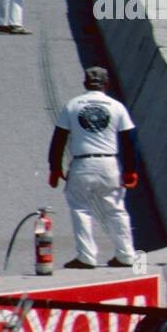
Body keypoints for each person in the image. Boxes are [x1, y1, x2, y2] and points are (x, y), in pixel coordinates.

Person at [47, 67, 139, 269]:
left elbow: (59, 138)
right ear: (106, 84)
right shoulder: (117, 107)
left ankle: (86, 256)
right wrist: (131, 169)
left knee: (80, 208)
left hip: (82, 163)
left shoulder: (72, 105)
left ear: (85, 84)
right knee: (116, 210)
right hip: (110, 164)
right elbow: (129, 140)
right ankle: (126, 255)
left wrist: (55, 167)